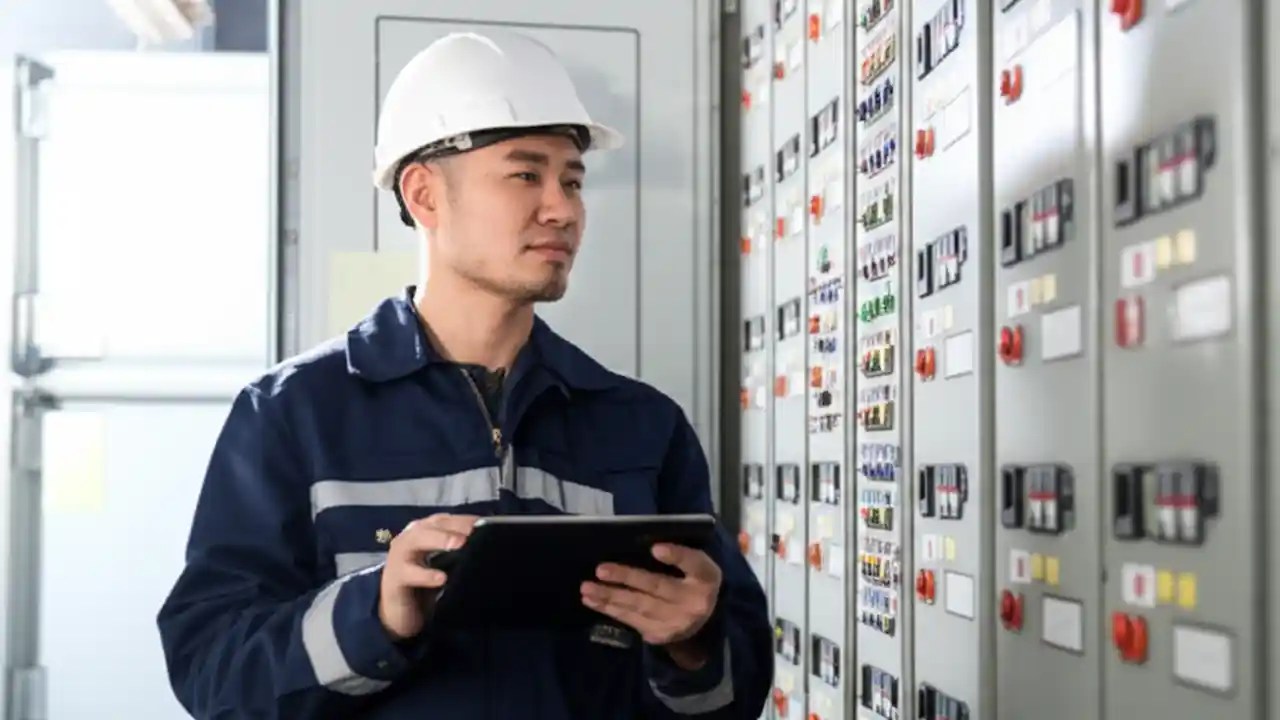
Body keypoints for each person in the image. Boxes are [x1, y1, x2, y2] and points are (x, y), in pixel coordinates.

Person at [157, 29, 773, 719]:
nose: (563, 209)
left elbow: (734, 698)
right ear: (424, 195)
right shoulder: (293, 414)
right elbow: (214, 674)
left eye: (573, 181)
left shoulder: (642, 427)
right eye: (526, 175)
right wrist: (376, 614)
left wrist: (691, 645)